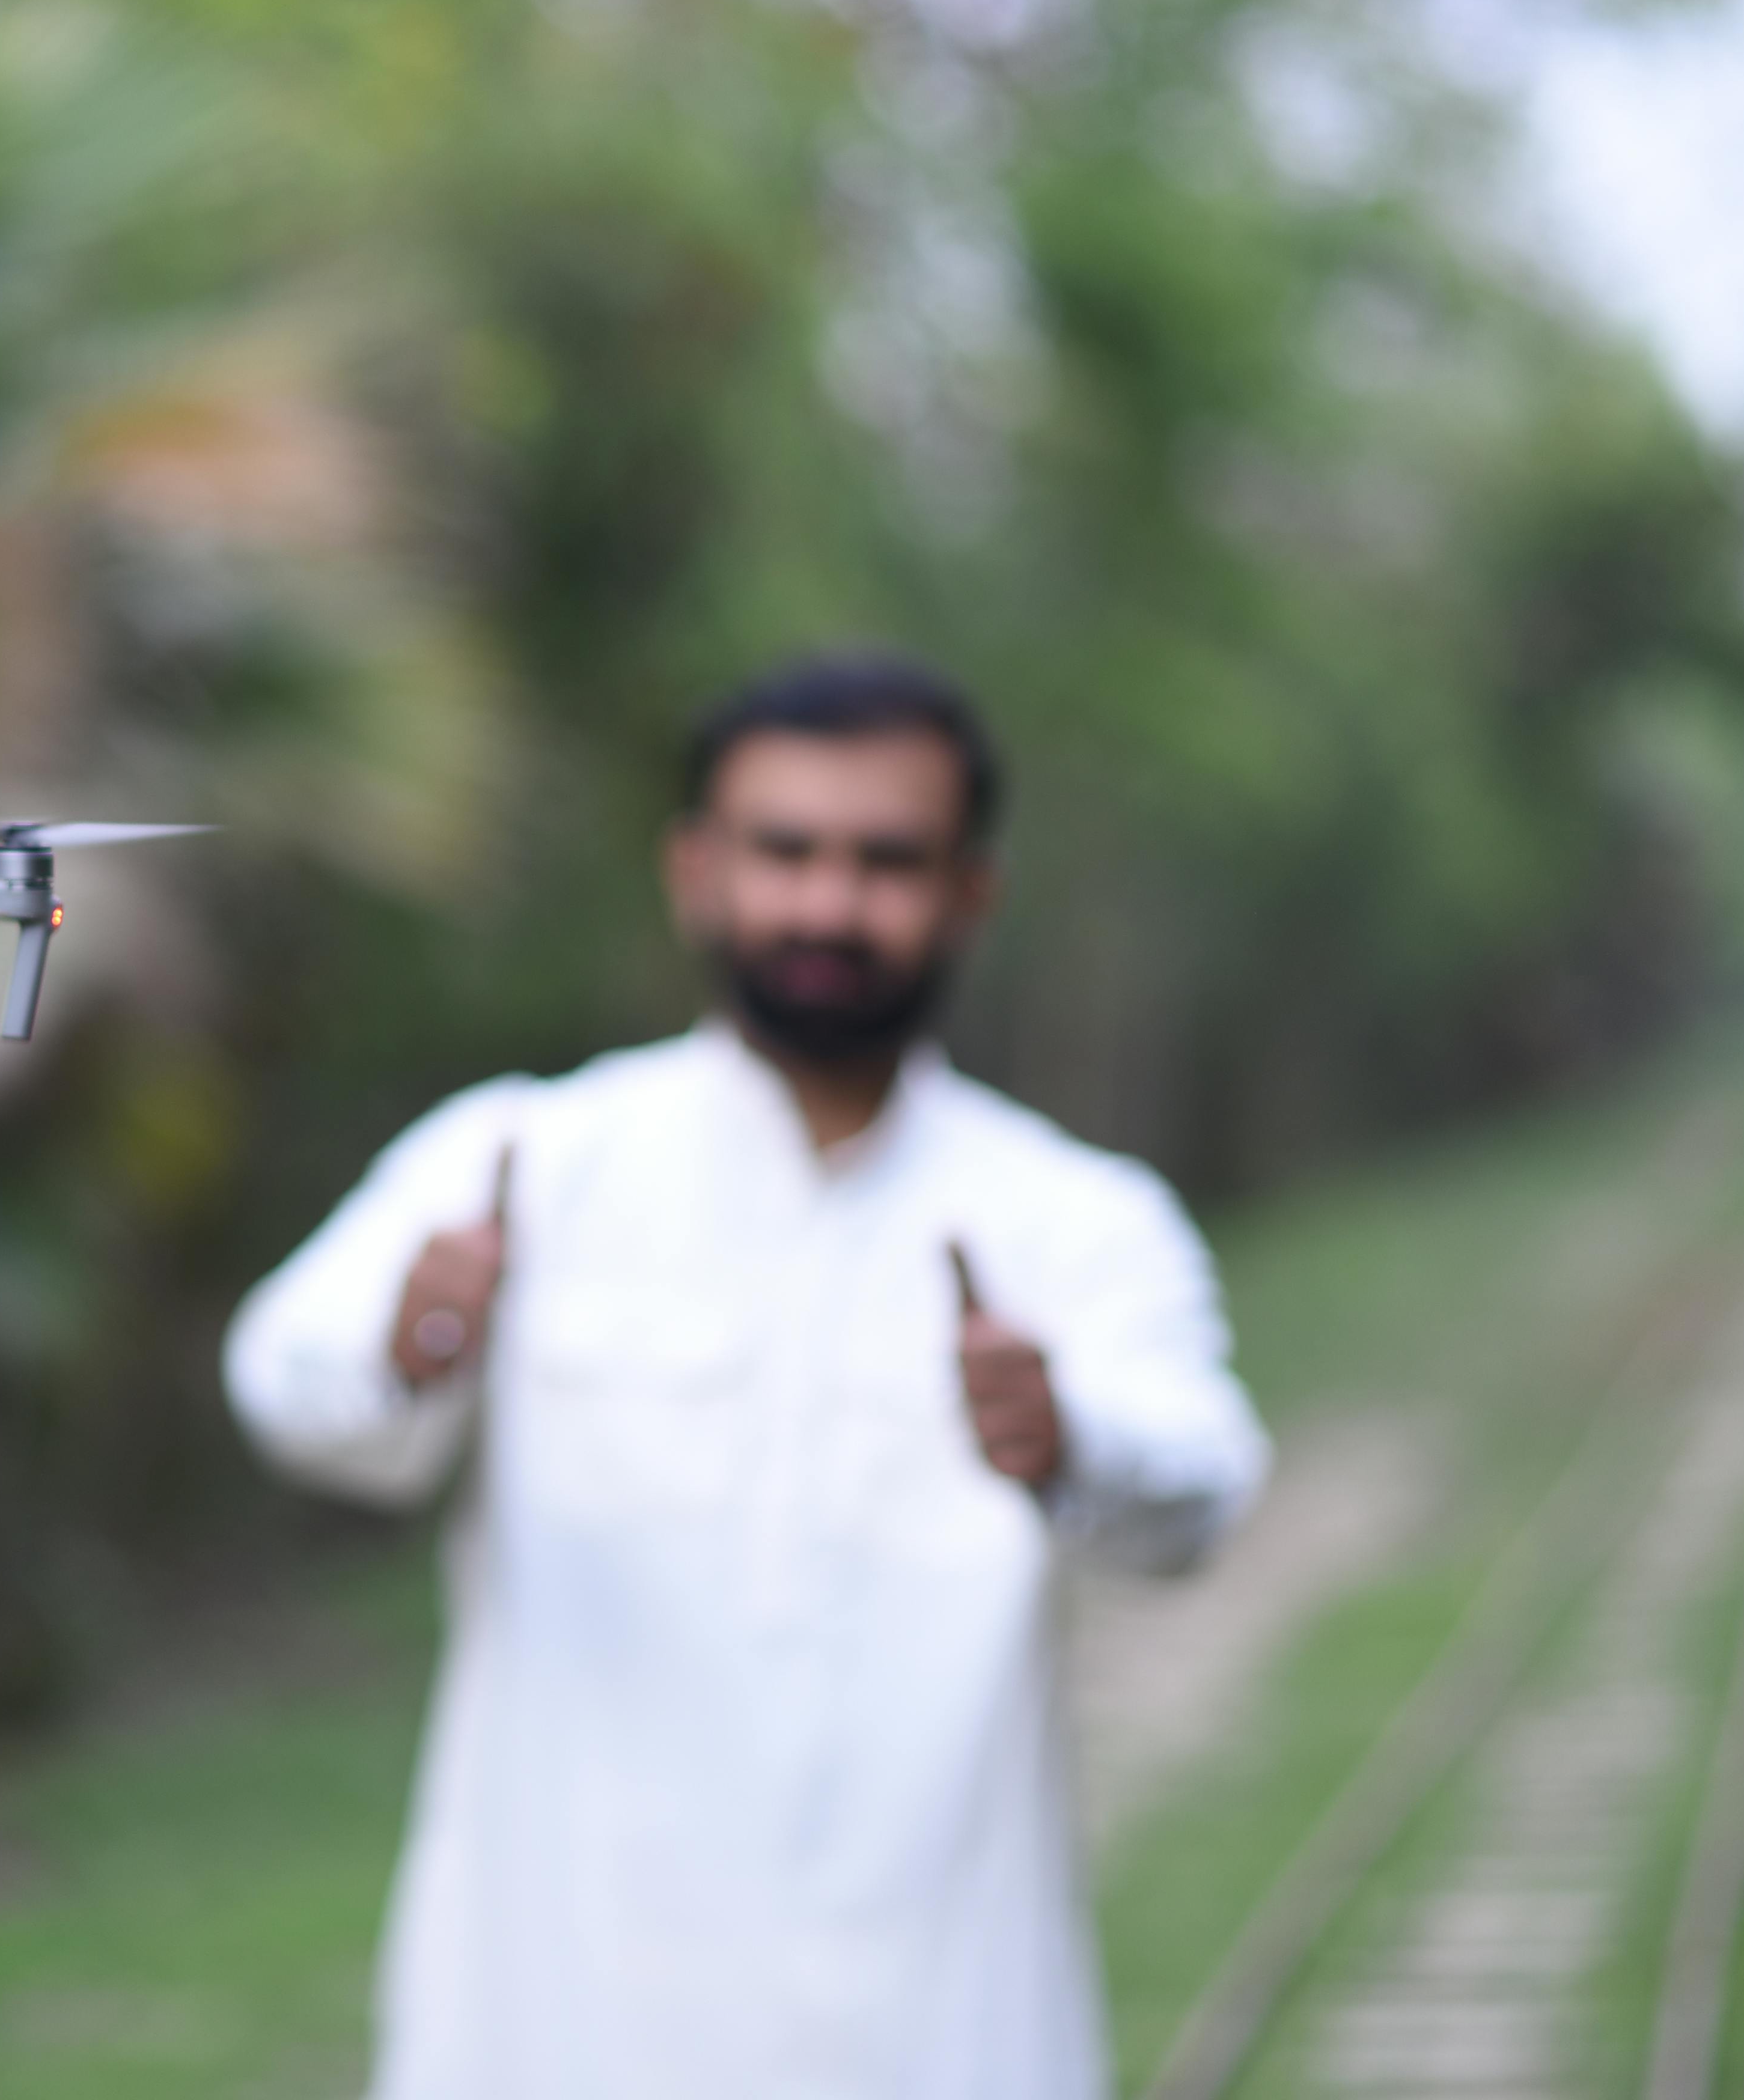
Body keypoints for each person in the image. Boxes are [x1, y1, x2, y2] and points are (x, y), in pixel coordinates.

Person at [222, 650, 1270, 2100]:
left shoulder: (1075, 1217)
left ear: (972, 891)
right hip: (558, 2014)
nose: (827, 907)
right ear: (695, 872)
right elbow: (282, 1378)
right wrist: (409, 1341)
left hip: (937, 2018)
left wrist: (1067, 1438)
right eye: (784, 852)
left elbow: (1201, 1490)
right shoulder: (523, 1160)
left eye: (884, 861)